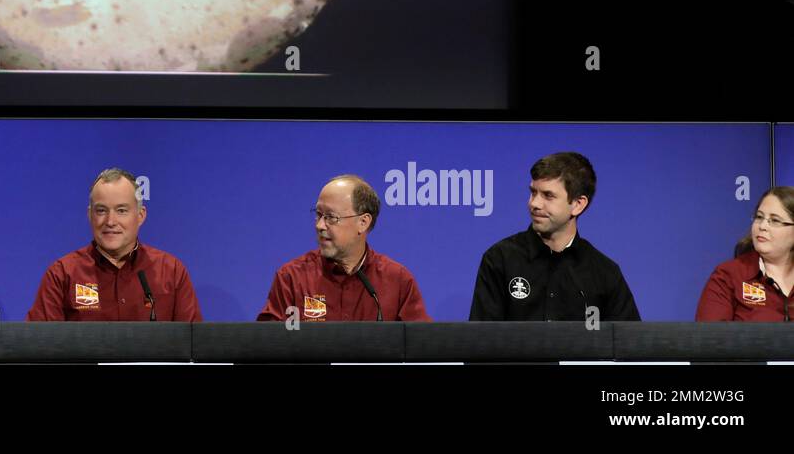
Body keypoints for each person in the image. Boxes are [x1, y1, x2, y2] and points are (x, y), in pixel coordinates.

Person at [469, 152, 639, 321]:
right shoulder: (499, 260)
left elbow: (628, 344)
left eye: (548, 196)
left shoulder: (604, 273)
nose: (534, 204)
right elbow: (480, 342)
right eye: (533, 192)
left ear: (578, 205)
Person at [27, 167, 202, 321]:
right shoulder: (62, 274)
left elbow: (195, 348)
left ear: (140, 216)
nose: (110, 221)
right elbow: (39, 348)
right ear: (90, 215)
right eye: (101, 210)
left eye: (121, 211)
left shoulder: (171, 272)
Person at [258, 175, 430, 322]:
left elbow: (421, 349)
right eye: (318, 214)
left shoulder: (397, 281)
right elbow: (272, 347)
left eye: (331, 217)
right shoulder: (292, 279)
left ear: (363, 223)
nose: (320, 225)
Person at [695, 187, 794, 322]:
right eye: (759, 217)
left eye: (775, 220)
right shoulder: (728, 276)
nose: (762, 226)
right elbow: (710, 339)